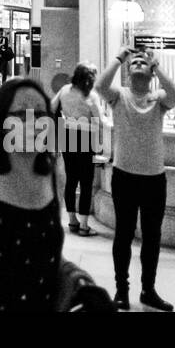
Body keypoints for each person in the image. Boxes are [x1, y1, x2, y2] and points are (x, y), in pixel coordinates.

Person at [94, 46, 175, 311]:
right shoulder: (119, 96)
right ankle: (122, 289)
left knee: (152, 237)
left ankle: (148, 290)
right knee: (123, 234)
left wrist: (158, 66)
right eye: (135, 62)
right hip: (125, 176)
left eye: (144, 62)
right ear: (127, 72)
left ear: (151, 72)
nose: (139, 63)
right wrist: (120, 57)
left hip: (154, 178)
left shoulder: (158, 98)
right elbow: (100, 85)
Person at [0, 78, 64, 311]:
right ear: (1, 122)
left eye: (41, 114)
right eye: (21, 114)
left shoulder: (55, 177)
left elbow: (45, 254)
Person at [51, 63, 102, 236]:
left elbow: (51, 108)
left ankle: (72, 220)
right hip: (86, 138)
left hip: (68, 135)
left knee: (71, 179)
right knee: (86, 182)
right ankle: (84, 225)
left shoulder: (65, 90)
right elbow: (100, 120)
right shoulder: (91, 96)